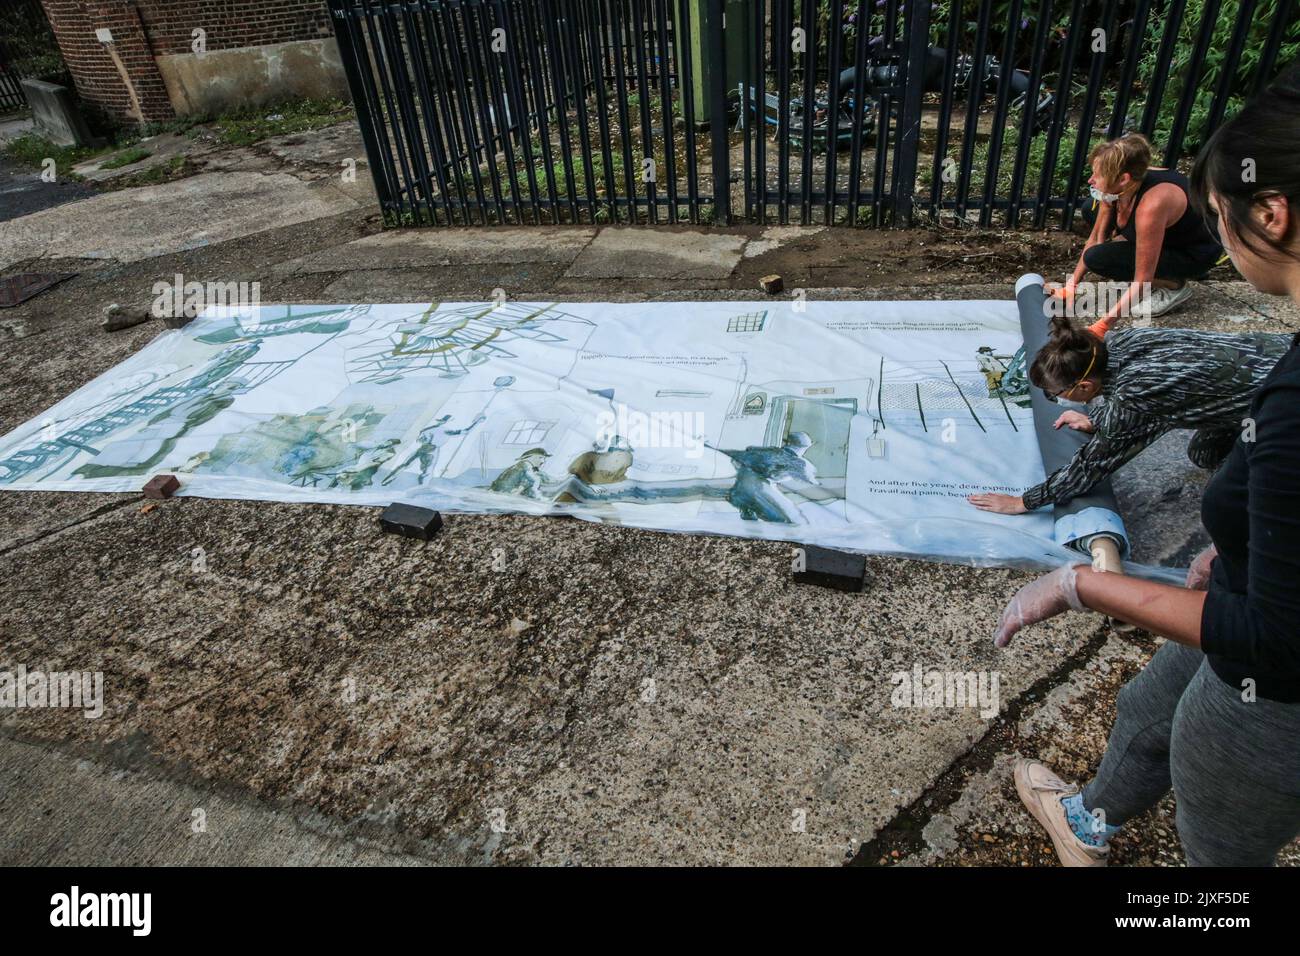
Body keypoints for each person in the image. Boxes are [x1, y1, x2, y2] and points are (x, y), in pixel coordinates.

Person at [993, 65, 1300, 867]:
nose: (1221, 236)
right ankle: (1088, 824)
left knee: (1219, 850)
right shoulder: (1121, 348)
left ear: (1272, 214)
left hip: (1276, 698)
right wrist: (1238, 547)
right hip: (1238, 565)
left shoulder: (1282, 408)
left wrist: (1078, 576)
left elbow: (1276, 638)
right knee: (1147, 705)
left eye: (1222, 217)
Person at [965, 319, 1290, 516]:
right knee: (1202, 452)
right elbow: (1142, 403)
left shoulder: (1137, 395)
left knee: (1224, 488)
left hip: (1285, 397)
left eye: (1056, 393)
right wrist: (1098, 420)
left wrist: (1024, 501)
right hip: (1280, 351)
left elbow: (1091, 466)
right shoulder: (1121, 343)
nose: (1055, 399)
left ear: (1085, 385)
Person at [1056, 133, 1222, 337]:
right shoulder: (1118, 185)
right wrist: (1071, 285)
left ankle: (1174, 284)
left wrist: (1101, 327)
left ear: (1123, 179)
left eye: (1096, 176)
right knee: (1090, 210)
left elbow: (1142, 279)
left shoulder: (1151, 206)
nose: (1091, 180)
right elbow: (1096, 237)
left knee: (1100, 260)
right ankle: (1139, 250)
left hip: (1196, 251)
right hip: (1167, 234)